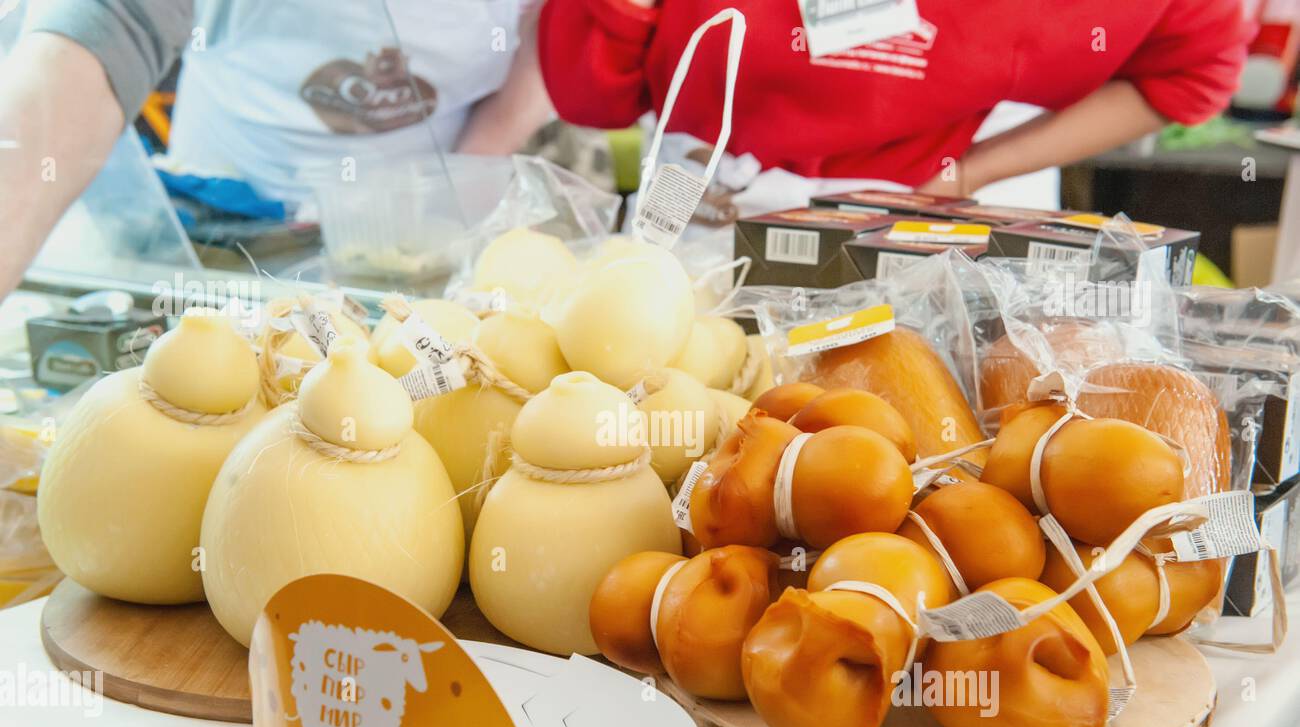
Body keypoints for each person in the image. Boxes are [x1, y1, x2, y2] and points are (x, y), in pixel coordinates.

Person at [0, 0, 552, 296]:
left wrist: (465, 174)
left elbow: (558, 28)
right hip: (228, 215)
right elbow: (100, 28)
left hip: (434, 216)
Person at [538, 0, 1251, 209]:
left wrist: (972, 172)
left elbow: (1191, 75)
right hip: (706, 185)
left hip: (929, 213)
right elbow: (586, 85)